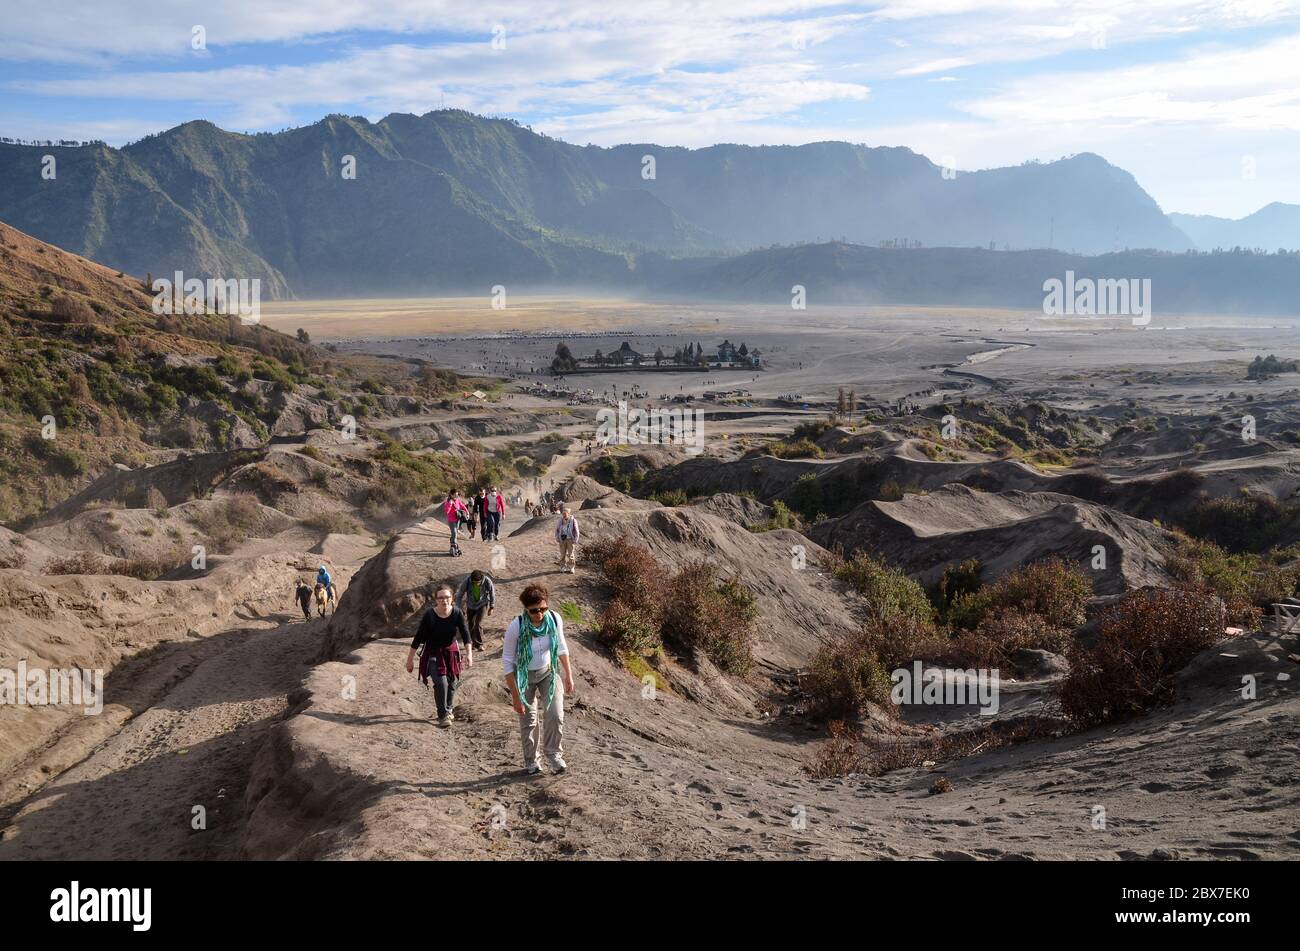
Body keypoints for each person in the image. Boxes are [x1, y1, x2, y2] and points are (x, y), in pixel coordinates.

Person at [502, 584, 574, 774]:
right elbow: (508, 662)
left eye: (543, 609)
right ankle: (532, 761)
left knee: (555, 713)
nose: (540, 614)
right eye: (534, 611)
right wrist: (516, 697)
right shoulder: (516, 626)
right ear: (526, 609)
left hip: (548, 671)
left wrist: (568, 675)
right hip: (523, 676)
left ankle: (554, 755)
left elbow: (561, 646)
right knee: (529, 720)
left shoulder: (554, 619)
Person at [406, 585, 472, 727]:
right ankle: (442, 715)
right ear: (436, 600)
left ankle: (448, 709)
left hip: (451, 652)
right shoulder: (429, 615)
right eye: (440, 598)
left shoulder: (457, 613)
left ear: (452, 598)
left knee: (452, 682)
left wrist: (469, 654)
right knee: (441, 683)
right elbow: (418, 638)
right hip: (433, 653)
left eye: (447, 597)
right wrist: (410, 660)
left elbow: (466, 635)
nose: (444, 600)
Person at [455, 569, 495, 650]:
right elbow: (459, 595)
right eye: (475, 582)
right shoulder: (467, 581)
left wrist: (491, 606)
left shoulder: (487, 581)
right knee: (471, 624)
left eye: (478, 582)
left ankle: (479, 644)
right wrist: (458, 608)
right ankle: (472, 643)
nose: (477, 584)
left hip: (482, 604)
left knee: (478, 624)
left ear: (482, 579)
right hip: (471, 605)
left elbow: (492, 593)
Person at [442, 492, 468, 556]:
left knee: (455, 533)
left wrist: (467, 512)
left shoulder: (457, 500)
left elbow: (462, 506)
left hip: (457, 519)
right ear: (451, 495)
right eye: (455, 495)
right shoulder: (447, 502)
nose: (456, 496)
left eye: (457, 495)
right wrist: (450, 504)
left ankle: (453, 545)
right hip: (451, 520)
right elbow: (446, 511)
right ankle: (454, 545)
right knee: (454, 533)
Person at [554, 506, 579, 573]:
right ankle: (563, 567)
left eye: (565, 514)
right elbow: (557, 529)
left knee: (571, 554)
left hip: (570, 539)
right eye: (563, 514)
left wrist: (575, 539)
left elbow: (576, 531)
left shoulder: (573, 520)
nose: (563, 515)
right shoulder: (560, 520)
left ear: (569, 514)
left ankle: (571, 567)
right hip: (562, 539)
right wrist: (557, 537)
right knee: (562, 554)